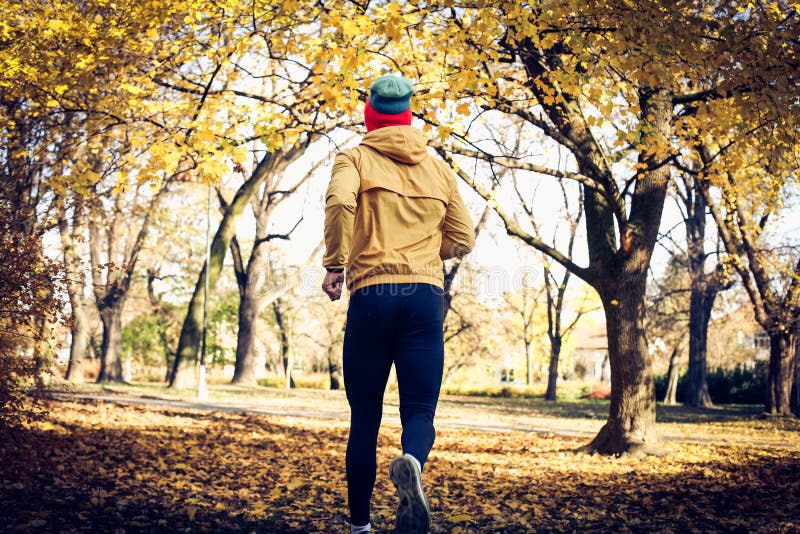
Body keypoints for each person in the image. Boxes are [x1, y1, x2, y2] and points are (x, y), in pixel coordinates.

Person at [321, 74, 475, 534]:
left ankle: (360, 527)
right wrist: (427, 254)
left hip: (372, 295)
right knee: (420, 412)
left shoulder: (355, 157)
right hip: (424, 299)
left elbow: (339, 204)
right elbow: (464, 239)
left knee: (365, 416)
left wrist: (335, 263)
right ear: (408, 116)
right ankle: (412, 461)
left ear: (370, 114)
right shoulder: (438, 167)